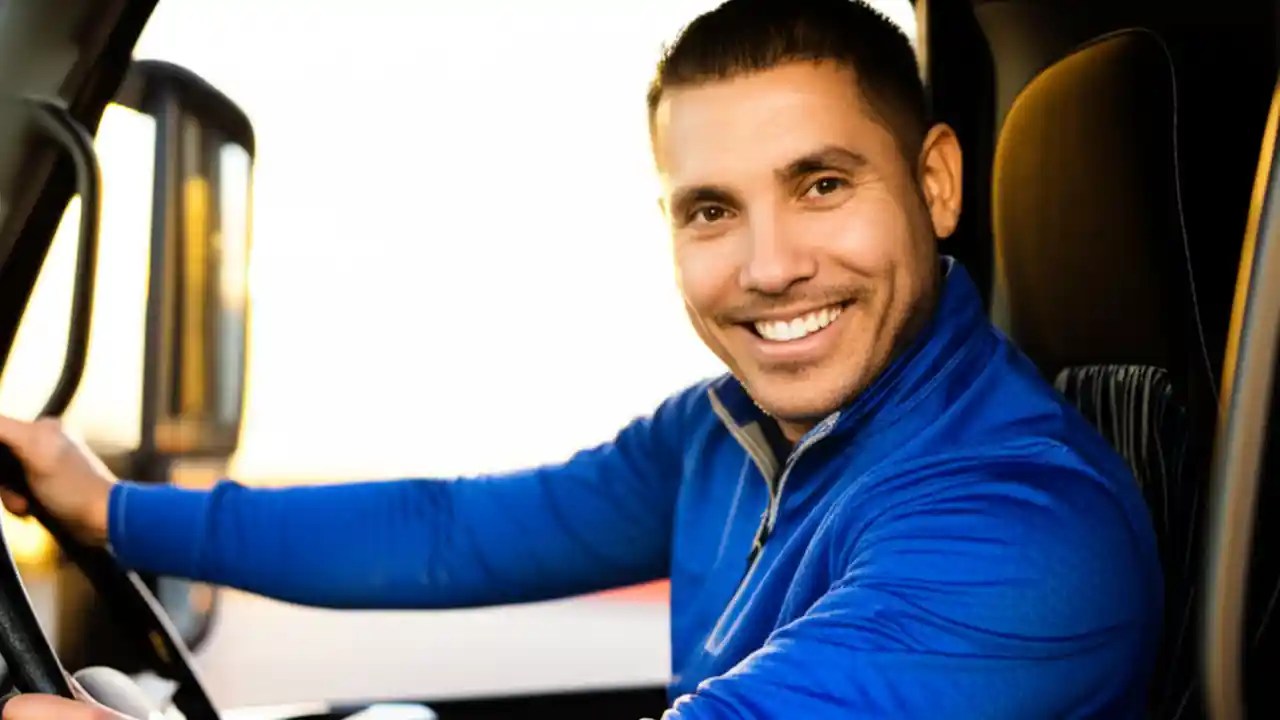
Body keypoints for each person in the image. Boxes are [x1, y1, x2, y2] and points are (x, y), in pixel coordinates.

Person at [0, 0, 1163, 717]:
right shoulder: (718, 433)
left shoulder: (1022, 527)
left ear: (935, 184)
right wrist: (111, 512)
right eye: (710, 210)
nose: (767, 267)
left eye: (819, 185)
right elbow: (451, 533)